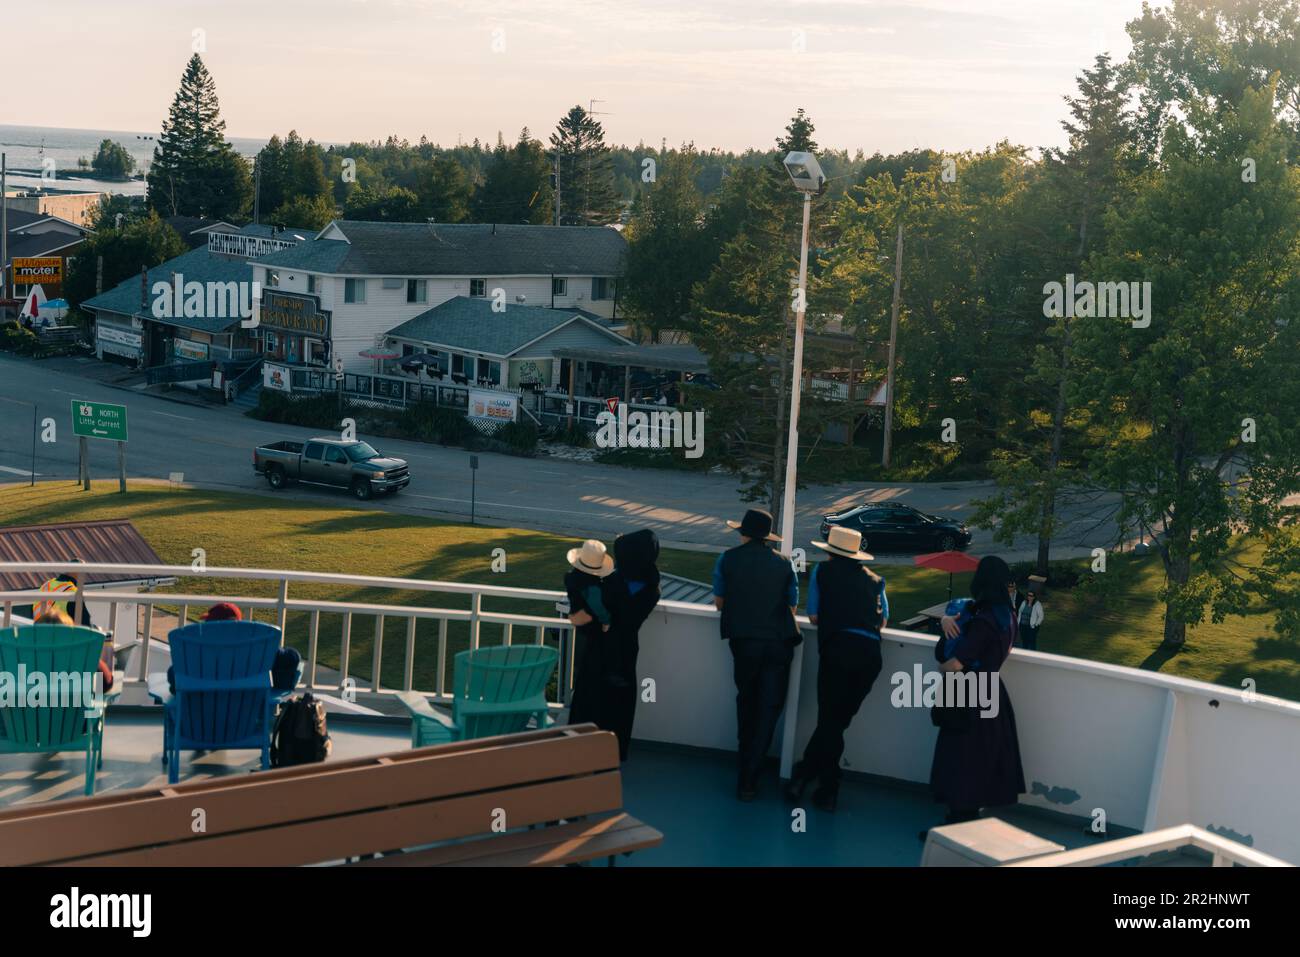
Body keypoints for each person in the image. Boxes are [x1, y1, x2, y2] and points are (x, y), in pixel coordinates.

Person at [786, 526, 887, 812]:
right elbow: (882, 622)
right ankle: (822, 787)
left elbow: (814, 615)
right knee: (836, 723)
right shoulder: (876, 581)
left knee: (830, 721)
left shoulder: (822, 573)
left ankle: (808, 778)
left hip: (838, 652)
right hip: (870, 658)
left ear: (830, 552)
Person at [925, 555, 1026, 836]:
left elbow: (957, 662)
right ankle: (966, 822)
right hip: (991, 690)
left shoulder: (984, 621)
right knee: (981, 757)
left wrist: (942, 667)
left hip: (967, 693)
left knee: (961, 757)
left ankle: (956, 825)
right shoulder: (1009, 617)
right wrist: (946, 620)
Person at [713, 508, 800, 801]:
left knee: (746, 701)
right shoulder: (784, 564)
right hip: (777, 644)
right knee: (769, 709)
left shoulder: (728, 559)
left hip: (744, 642)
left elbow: (719, 602)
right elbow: (792, 604)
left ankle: (744, 771)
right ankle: (751, 775)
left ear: (743, 532)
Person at [595, 529, 662, 761]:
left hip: (605, 644)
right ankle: (618, 748)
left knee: (601, 697)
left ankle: (595, 745)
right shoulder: (652, 588)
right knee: (624, 699)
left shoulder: (613, 582)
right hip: (628, 646)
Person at [167, 603, 302, 694]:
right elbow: (292, 657)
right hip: (245, 726)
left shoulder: (197, 652)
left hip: (201, 726)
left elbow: (174, 677)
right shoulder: (256, 650)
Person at [565, 539, 617, 731]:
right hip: (593, 634)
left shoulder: (572, 579)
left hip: (581, 629)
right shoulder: (592, 587)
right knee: (592, 679)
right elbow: (597, 607)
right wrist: (606, 621)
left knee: (583, 677)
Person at [32, 608, 114, 692]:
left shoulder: (28, 658)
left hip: (37, 703)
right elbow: (107, 683)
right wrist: (91, 655)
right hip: (75, 703)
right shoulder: (81, 659)